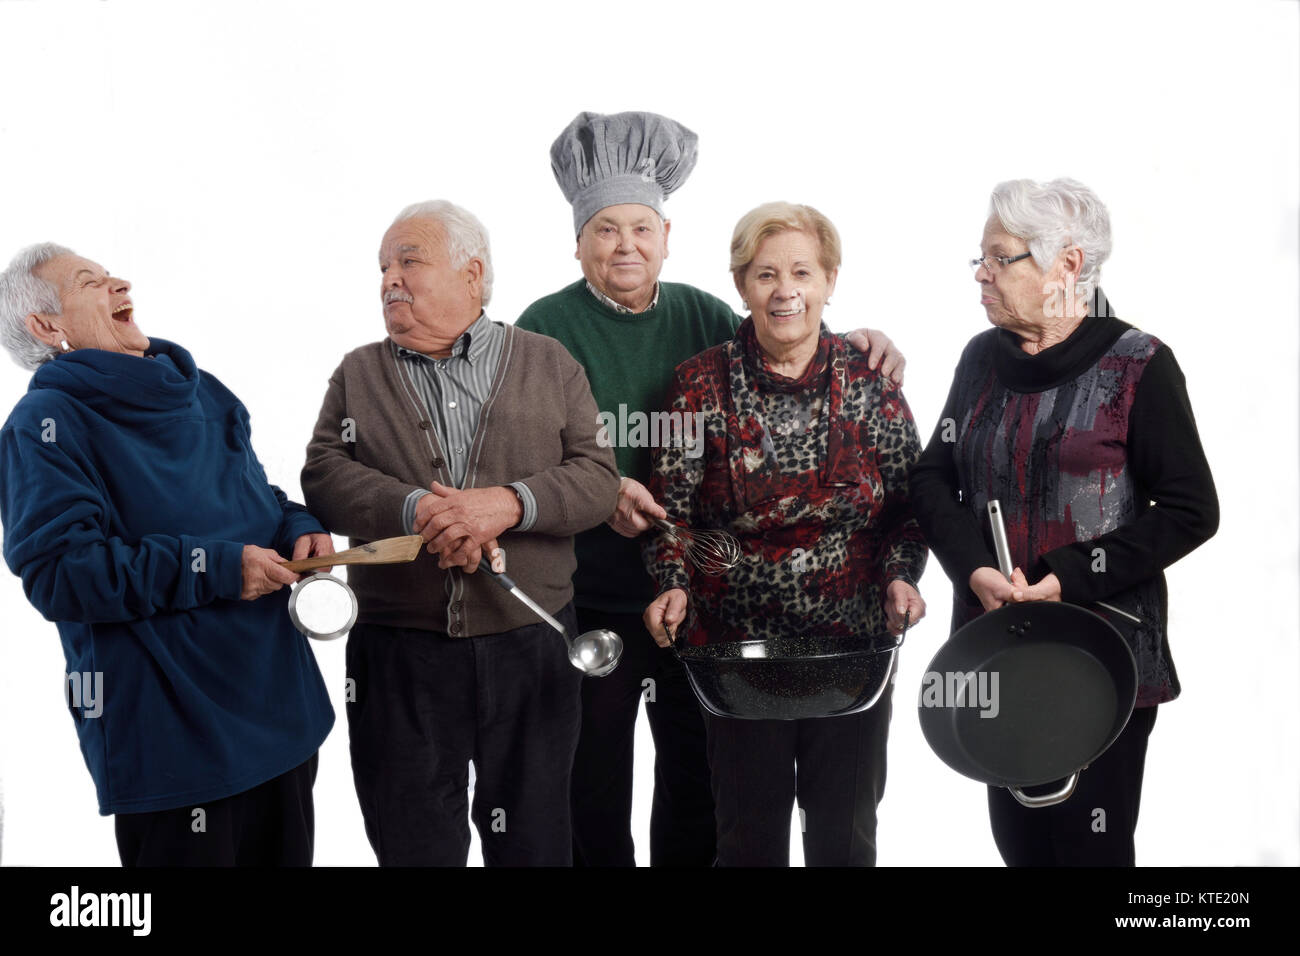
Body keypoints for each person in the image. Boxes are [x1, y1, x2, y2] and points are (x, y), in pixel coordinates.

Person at [516, 110, 907, 867]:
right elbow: (518, 458)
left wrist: (867, 341)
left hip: (701, 601)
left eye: (640, 228)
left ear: (666, 234)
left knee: (701, 775)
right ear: (577, 242)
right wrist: (607, 493)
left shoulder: (701, 313)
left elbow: (786, 335)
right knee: (591, 776)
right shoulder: (541, 328)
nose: (624, 246)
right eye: (605, 230)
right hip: (589, 592)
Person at [909, 178, 1219, 866]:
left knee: (1090, 850)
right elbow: (933, 477)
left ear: (1067, 266)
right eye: (979, 259)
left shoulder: (1138, 365)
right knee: (1021, 847)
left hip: (1101, 656)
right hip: (998, 651)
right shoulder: (980, 360)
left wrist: (1066, 578)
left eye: (1000, 258)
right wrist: (976, 571)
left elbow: (1193, 510)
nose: (982, 275)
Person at [301, 200, 620, 866]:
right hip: (399, 656)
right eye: (383, 266)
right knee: (413, 843)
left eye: (408, 261)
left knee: (533, 842)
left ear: (472, 274)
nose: (389, 278)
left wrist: (507, 504)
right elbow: (324, 477)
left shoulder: (548, 361)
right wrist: (420, 508)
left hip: (532, 643)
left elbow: (596, 478)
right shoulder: (357, 373)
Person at [0, 243, 335, 866]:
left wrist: (296, 523)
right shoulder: (44, 424)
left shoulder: (204, 391)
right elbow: (61, 575)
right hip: (175, 743)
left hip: (279, 714)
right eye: (90, 282)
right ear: (47, 327)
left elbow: (255, 496)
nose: (118, 282)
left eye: (109, 274)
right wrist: (215, 568)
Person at [641, 202, 927, 867]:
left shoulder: (871, 385)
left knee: (845, 835)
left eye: (802, 271)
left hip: (853, 647)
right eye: (765, 273)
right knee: (747, 839)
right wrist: (674, 586)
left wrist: (900, 574)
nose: (785, 289)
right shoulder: (697, 386)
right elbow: (672, 515)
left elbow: (909, 508)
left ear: (830, 279)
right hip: (738, 653)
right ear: (741, 285)